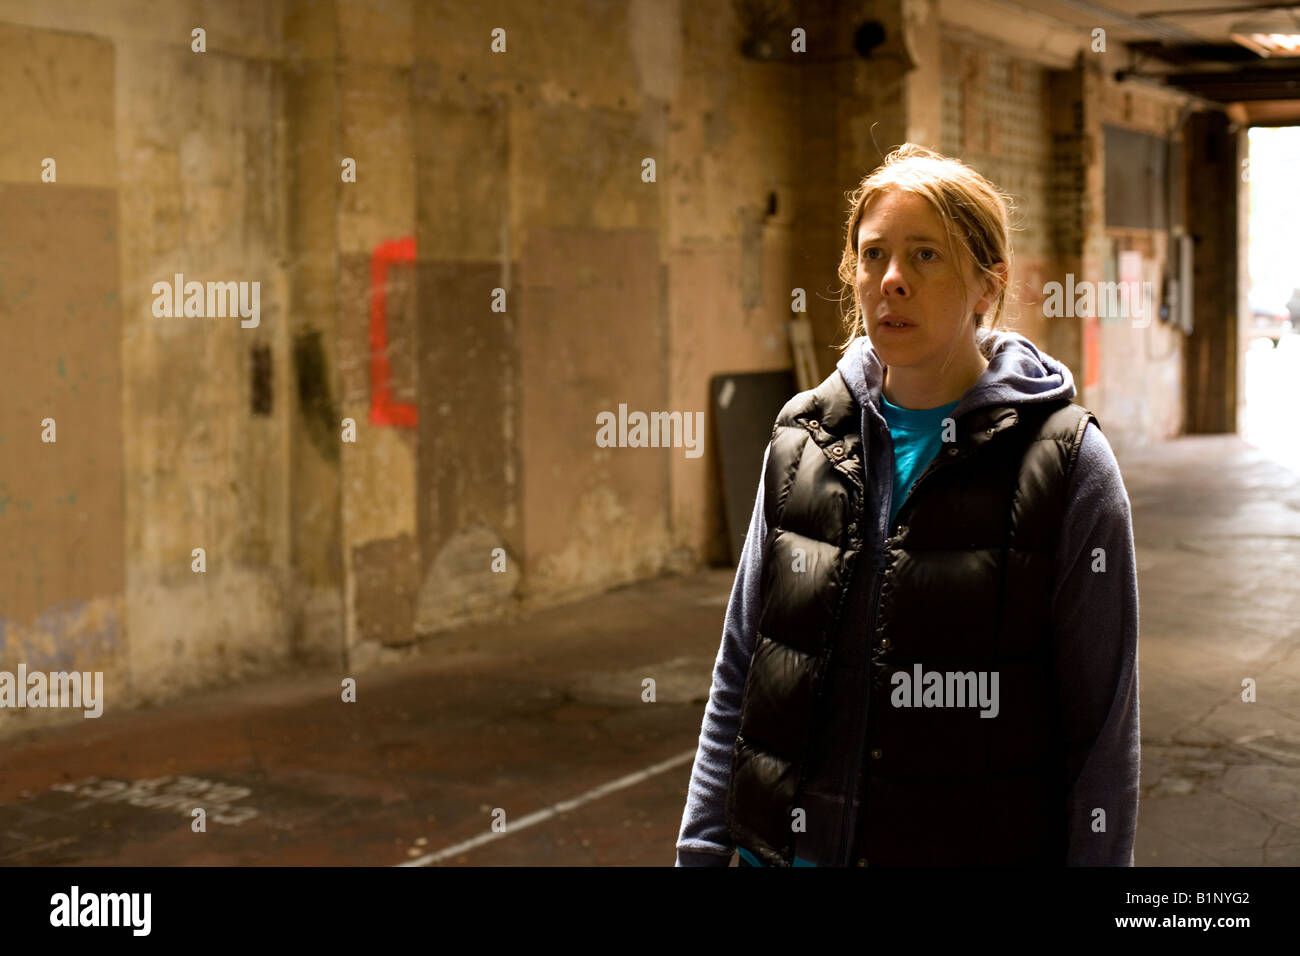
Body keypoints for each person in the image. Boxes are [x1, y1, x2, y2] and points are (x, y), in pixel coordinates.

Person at [675, 143, 1139, 867]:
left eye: (925, 256)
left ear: (988, 285)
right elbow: (740, 667)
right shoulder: (803, 441)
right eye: (873, 255)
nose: (891, 280)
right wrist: (700, 850)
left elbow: (1101, 729)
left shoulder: (1067, 465)